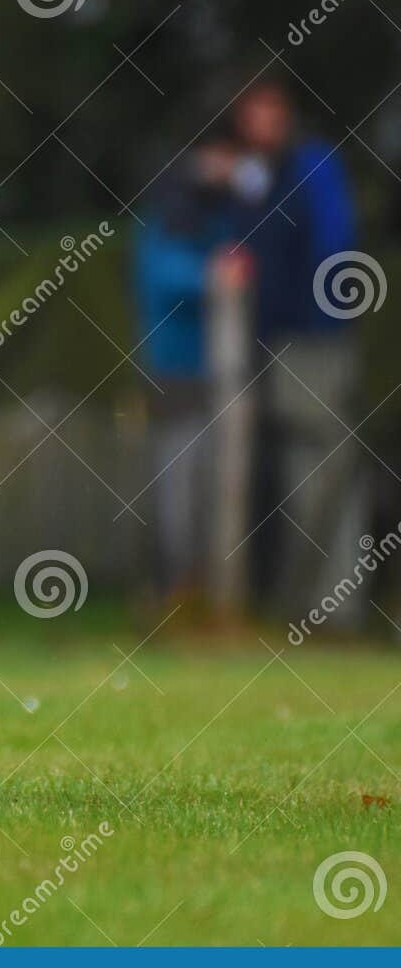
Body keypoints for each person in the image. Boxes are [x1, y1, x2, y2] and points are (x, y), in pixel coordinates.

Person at [227, 79, 364, 620]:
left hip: (315, 342)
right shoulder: (262, 175)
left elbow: (334, 243)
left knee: (327, 468)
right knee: (299, 470)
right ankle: (310, 605)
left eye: (268, 110)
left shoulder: (311, 165)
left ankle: (336, 607)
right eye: (251, 112)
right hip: (279, 345)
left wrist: (323, 319)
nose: (259, 122)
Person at [132, 138, 246, 604]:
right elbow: (166, 276)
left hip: (222, 372)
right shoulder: (165, 220)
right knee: (178, 477)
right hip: (175, 372)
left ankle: (204, 583)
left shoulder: (218, 214)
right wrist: (211, 275)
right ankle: (175, 583)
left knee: (211, 480)